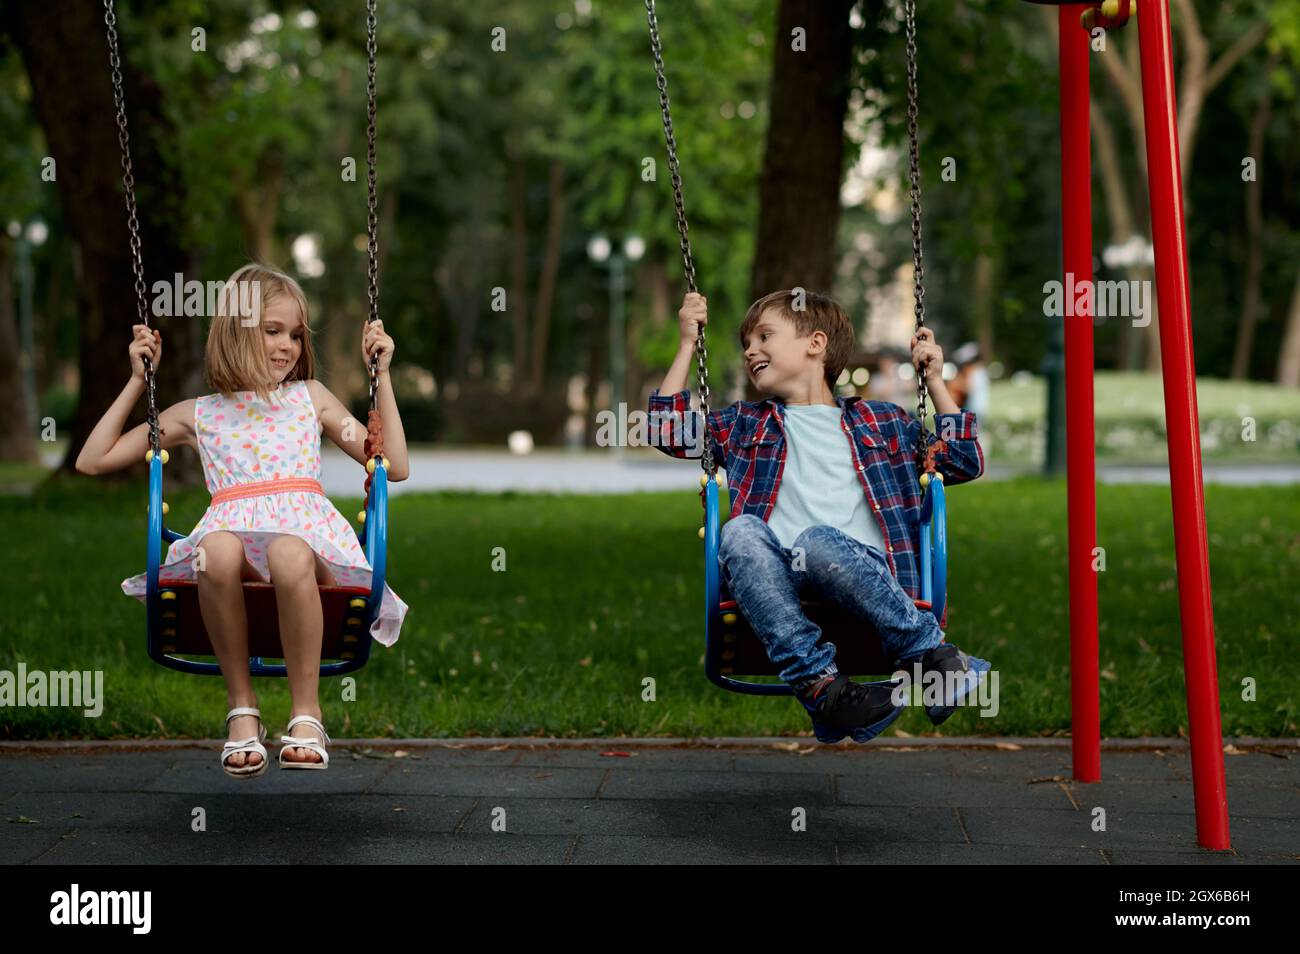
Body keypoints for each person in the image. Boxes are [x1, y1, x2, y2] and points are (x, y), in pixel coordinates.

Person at [77, 263, 410, 777]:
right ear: (234, 332)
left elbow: (395, 464)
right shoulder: (198, 413)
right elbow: (93, 460)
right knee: (216, 548)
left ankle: (307, 714)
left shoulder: (310, 399)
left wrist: (382, 375)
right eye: (272, 331)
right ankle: (242, 710)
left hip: (309, 556)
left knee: (286, 549)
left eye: (295, 334)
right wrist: (137, 381)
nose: (287, 347)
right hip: (233, 560)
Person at [647, 289, 990, 743]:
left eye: (765, 336)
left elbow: (964, 459)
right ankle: (827, 688)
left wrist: (936, 382)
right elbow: (664, 430)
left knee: (816, 541)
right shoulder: (744, 424)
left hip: (866, 579)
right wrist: (687, 343)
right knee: (742, 531)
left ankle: (923, 650)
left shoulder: (883, 421)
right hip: (774, 588)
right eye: (746, 342)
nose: (751, 350)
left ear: (816, 344)